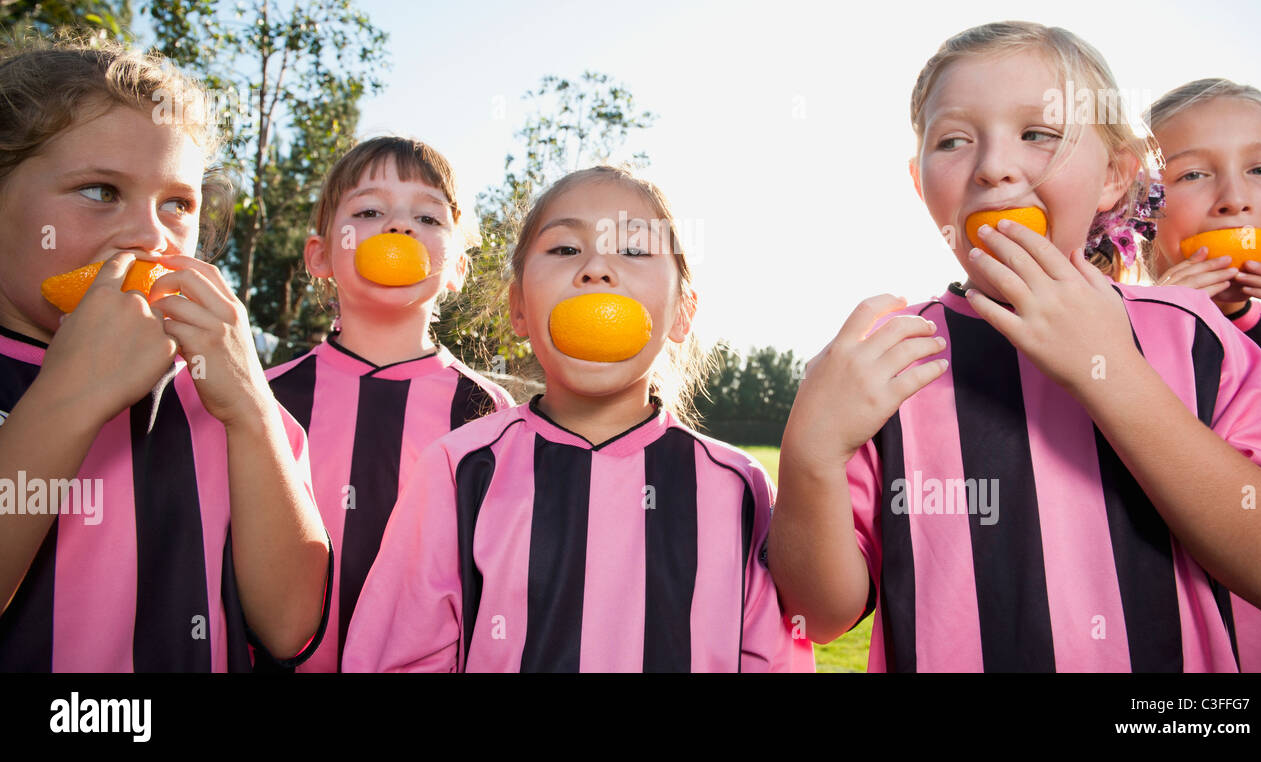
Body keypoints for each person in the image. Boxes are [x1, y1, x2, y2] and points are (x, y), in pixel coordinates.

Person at [769, 21, 1261, 671]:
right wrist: (811, 455)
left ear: (1115, 177)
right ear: (919, 183)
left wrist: (1103, 372)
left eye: (1039, 134)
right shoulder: (890, 357)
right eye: (955, 141)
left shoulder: (1193, 332)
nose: (994, 168)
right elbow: (818, 617)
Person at [343, 165, 811, 672]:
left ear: (682, 313)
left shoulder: (739, 487)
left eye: (634, 250)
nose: (596, 269)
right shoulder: (459, 470)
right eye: (565, 249)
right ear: (518, 307)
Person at [0, 37, 330, 671]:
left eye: (177, 204)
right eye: (99, 191)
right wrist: (73, 395)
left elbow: (290, 627)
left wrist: (253, 409)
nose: (151, 235)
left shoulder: (218, 395)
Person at [264, 136, 512, 672]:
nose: (399, 227)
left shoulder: (490, 412)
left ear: (458, 268)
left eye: (427, 217)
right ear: (321, 254)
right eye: (370, 210)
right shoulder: (263, 398)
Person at [1146, 79, 1261, 671]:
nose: (1234, 199)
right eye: (1191, 175)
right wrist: (1148, 329)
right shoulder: (1099, 331)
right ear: (1138, 203)